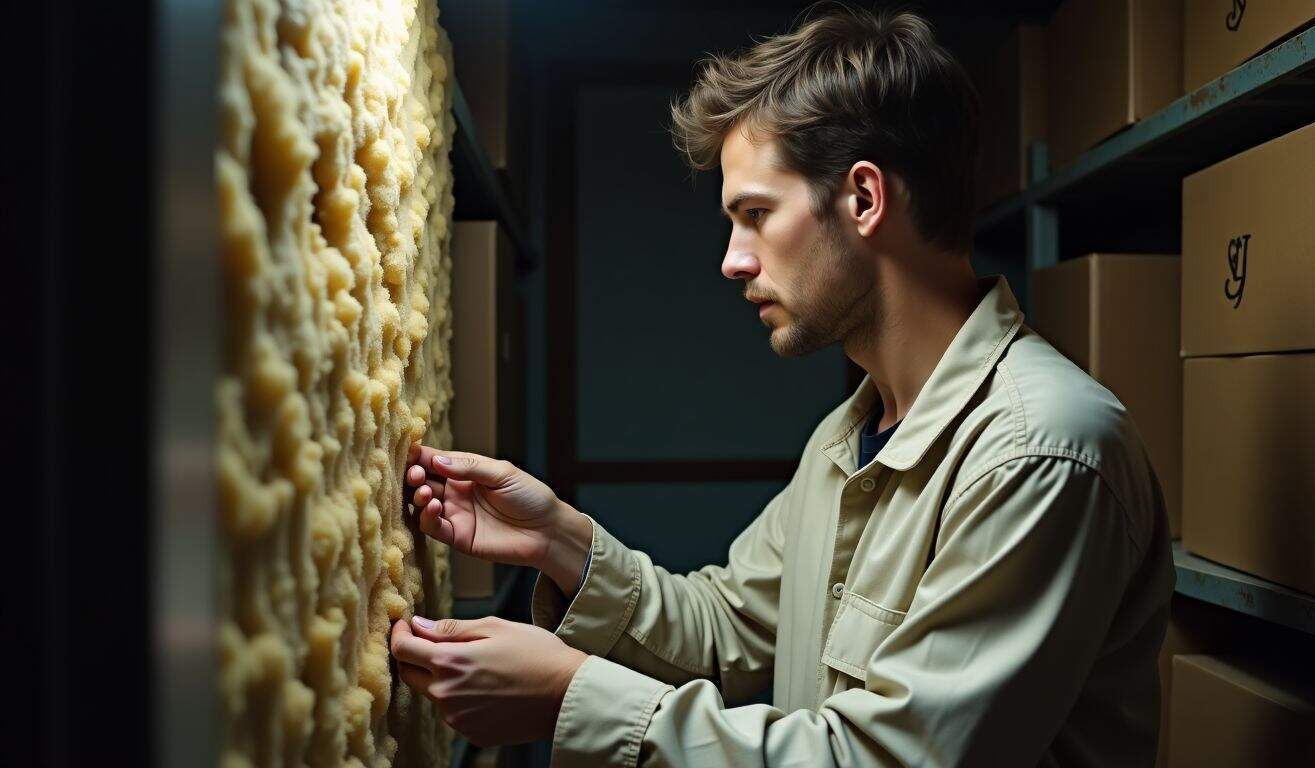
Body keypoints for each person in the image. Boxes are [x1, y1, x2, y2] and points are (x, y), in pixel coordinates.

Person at [389, 6, 1174, 766]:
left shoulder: (1040, 454)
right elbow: (726, 629)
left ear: (863, 199)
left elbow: (887, 760)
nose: (733, 260)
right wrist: (558, 539)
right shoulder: (848, 436)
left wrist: (572, 697)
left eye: (756, 214)